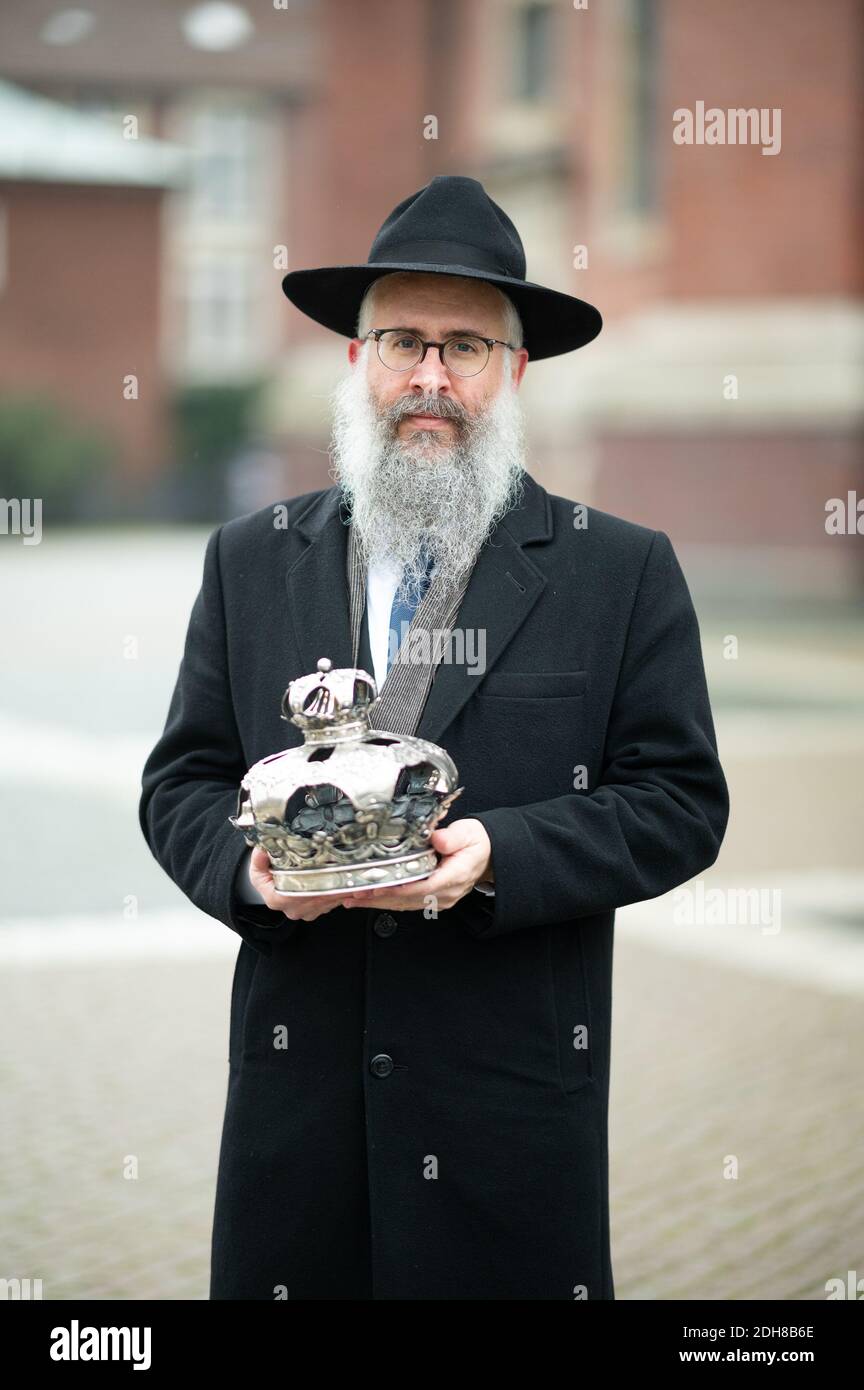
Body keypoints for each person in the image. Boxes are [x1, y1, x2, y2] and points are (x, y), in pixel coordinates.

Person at [138, 175, 729, 1300]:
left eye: (465, 346)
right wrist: (256, 877)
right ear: (357, 360)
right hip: (295, 1112)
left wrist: (499, 855)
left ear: (514, 372)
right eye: (402, 338)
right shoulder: (250, 557)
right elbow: (182, 781)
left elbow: (682, 805)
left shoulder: (620, 568)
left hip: (506, 1119)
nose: (429, 376)